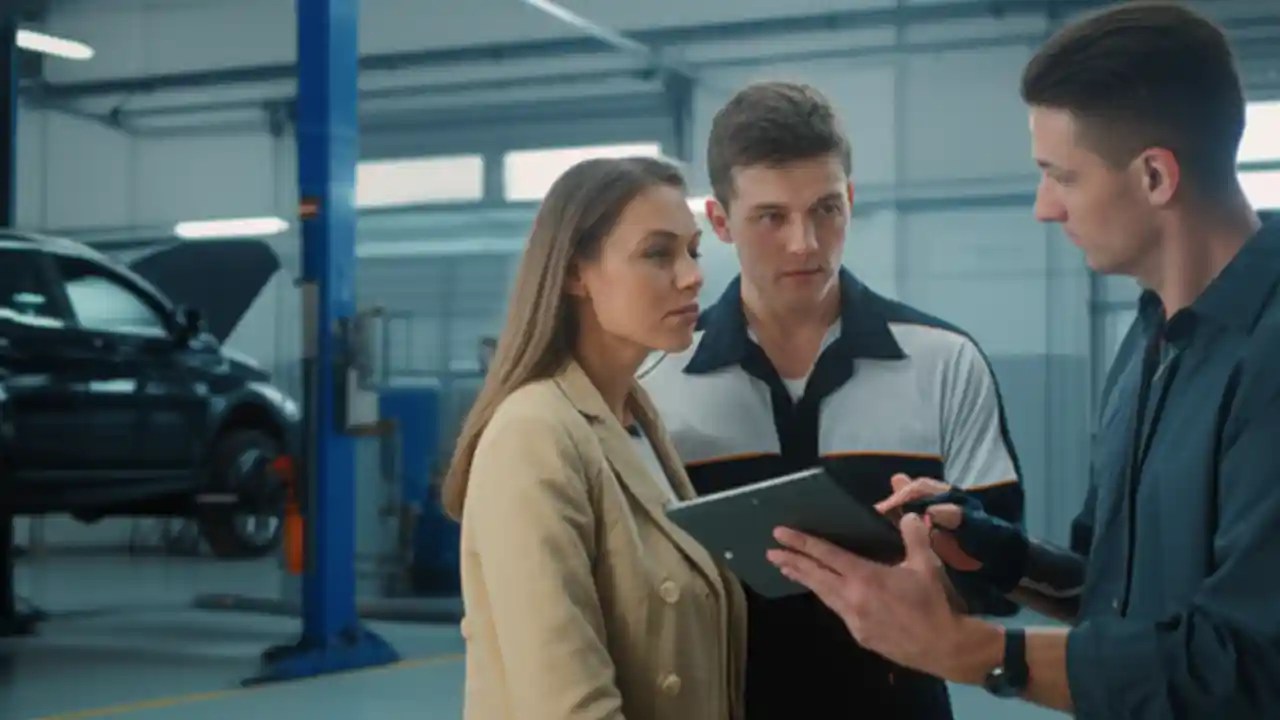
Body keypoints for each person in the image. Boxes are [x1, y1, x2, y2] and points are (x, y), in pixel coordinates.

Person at [767, 3, 1280, 718]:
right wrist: (989, 549)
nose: (1045, 207)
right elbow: (1107, 591)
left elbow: (1248, 666)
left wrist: (964, 650)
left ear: (1155, 177)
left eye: (1060, 176)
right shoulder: (1151, 337)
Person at [639, 81, 1025, 719]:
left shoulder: (945, 360)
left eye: (825, 209)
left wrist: (951, 547)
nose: (804, 243)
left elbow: (1004, 574)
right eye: (771, 217)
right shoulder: (656, 378)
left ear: (849, 199)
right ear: (719, 221)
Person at [441, 157, 748, 720]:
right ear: (574, 273)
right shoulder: (534, 434)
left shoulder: (639, 422)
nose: (691, 276)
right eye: (658, 254)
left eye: (693, 251)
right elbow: (567, 705)